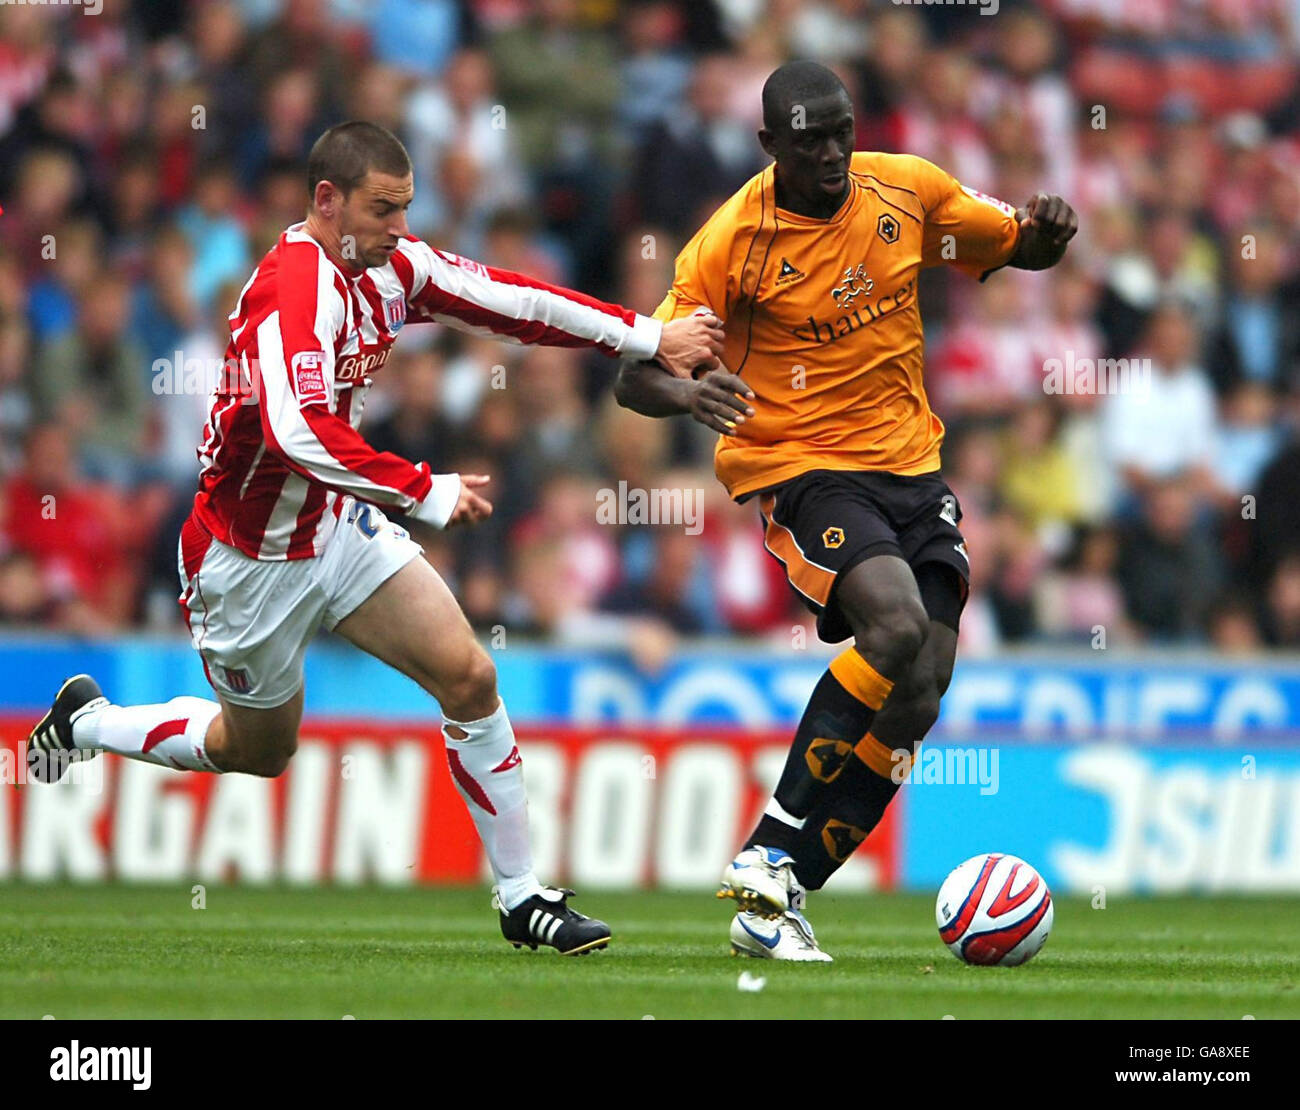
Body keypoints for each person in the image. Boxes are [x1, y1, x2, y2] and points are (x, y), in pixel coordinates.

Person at [27, 120, 723, 956]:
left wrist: (648, 337)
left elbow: (516, 302)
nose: (400, 227)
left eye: (406, 208)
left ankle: (522, 896)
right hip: (246, 562)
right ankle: (87, 721)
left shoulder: (393, 267)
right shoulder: (292, 289)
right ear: (327, 200)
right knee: (258, 750)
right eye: (384, 208)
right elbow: (297, 431)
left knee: (469, 675)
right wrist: (424, 490)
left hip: (337, 525)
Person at [615, 61, 1077, 960]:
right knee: (896, 626)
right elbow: (636, 373)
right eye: (809, 140)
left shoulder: (907, 191)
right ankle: (762, 845)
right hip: (800, 466)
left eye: (841, 131)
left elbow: (1016, 245)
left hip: (911, 465)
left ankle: (780, 888)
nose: (831, 153)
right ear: (768, 147)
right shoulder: (731, 244)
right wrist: (686, 399)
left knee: (925, 683)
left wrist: (1049, 233)